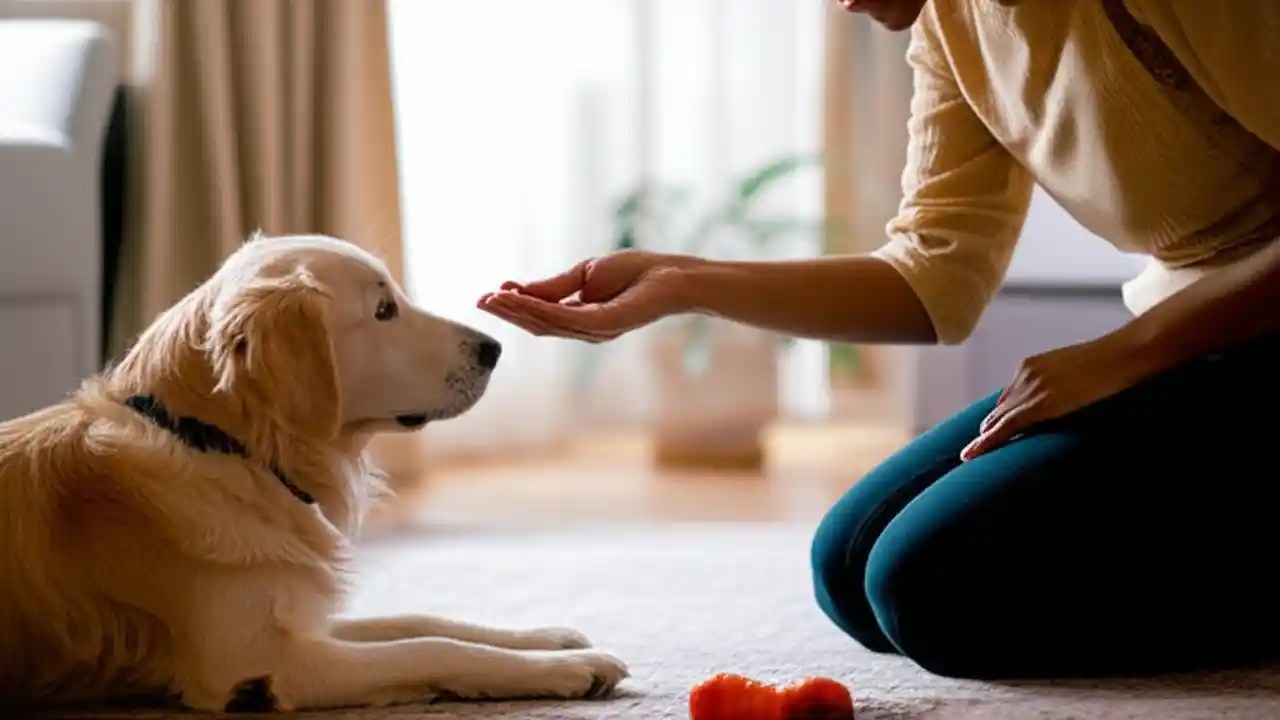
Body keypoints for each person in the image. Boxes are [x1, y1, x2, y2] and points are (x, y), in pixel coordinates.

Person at [478, 0, 1280, 680]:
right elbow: (933, 278)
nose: (844, 5)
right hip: (1190, 346)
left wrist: (1126, 355)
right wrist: (682, 281)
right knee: (851, 566)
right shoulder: (951, 25)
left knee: (929, 588)